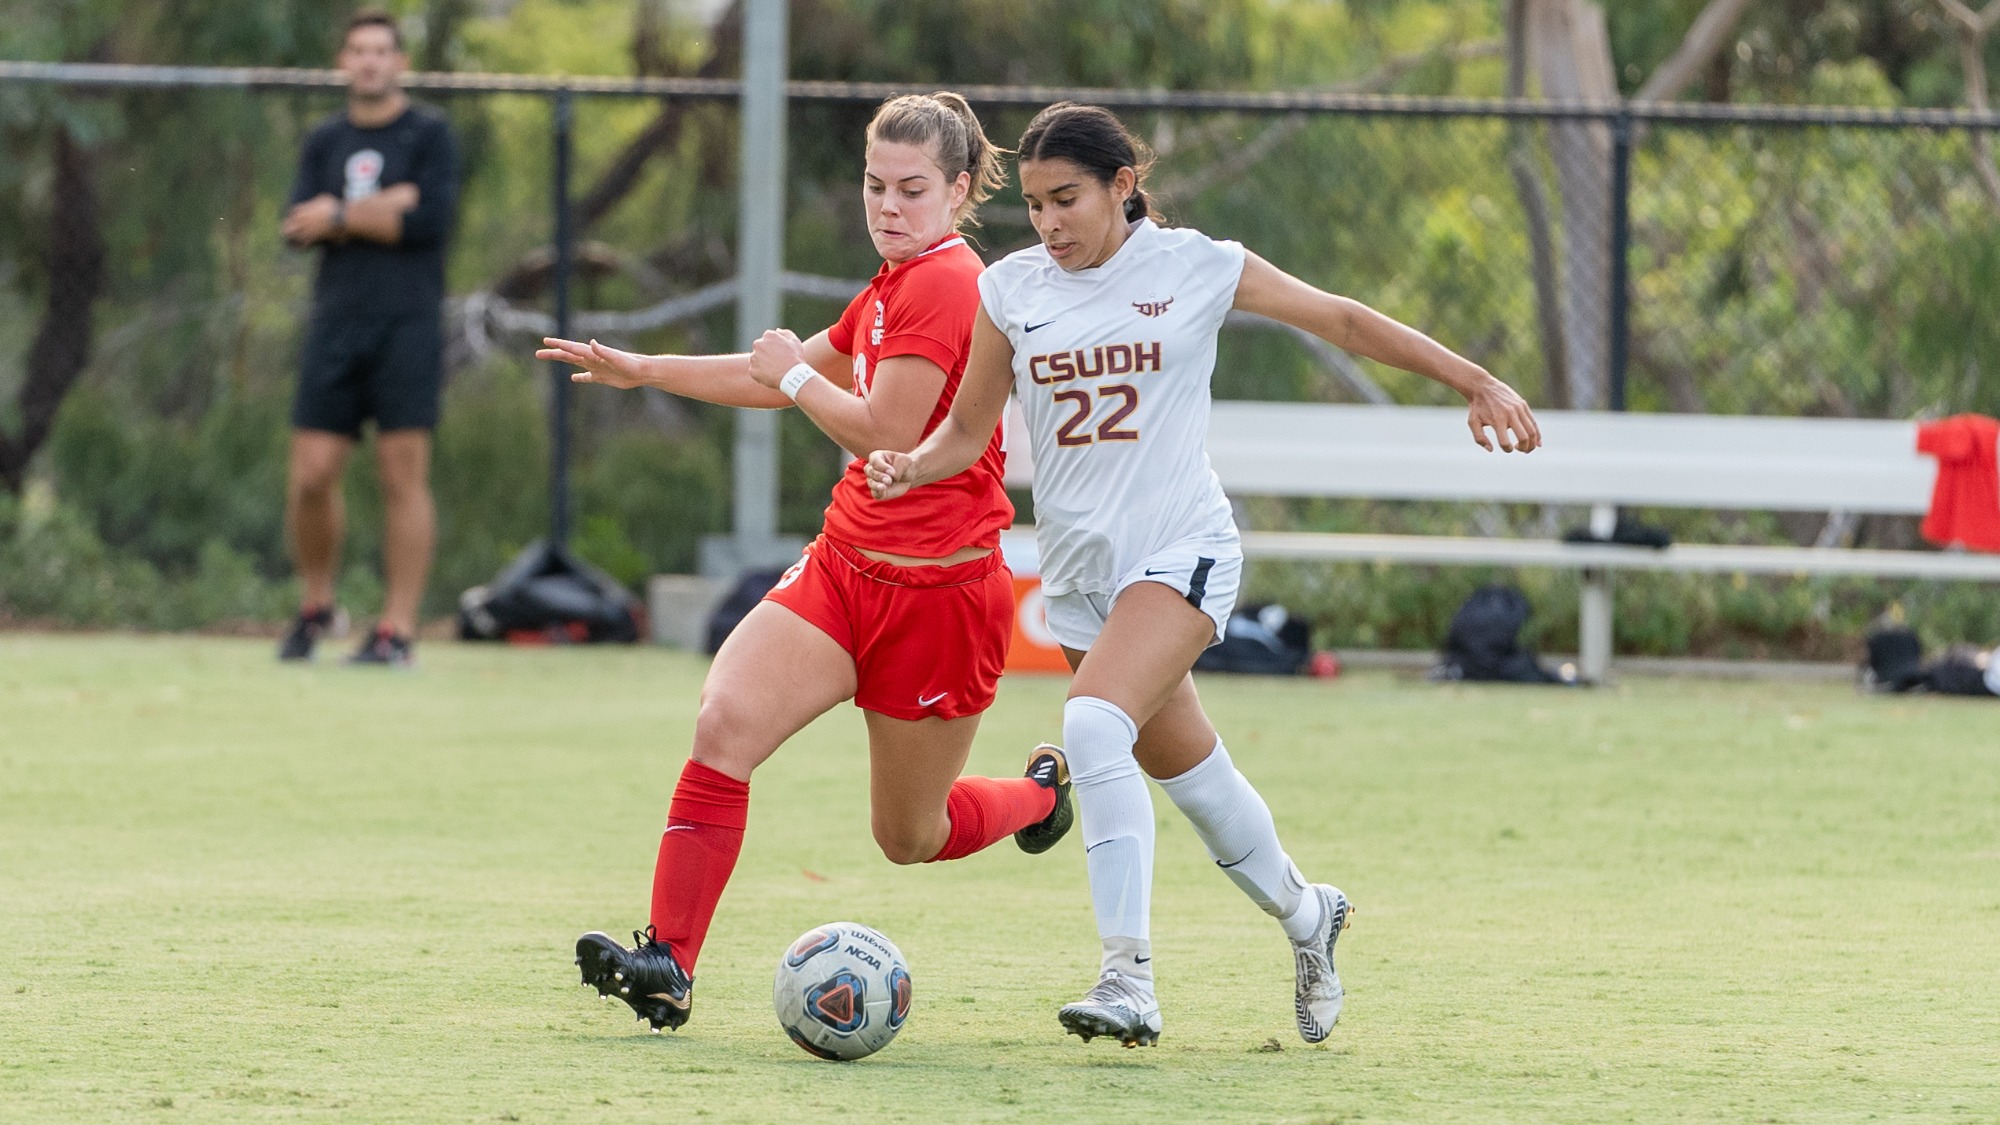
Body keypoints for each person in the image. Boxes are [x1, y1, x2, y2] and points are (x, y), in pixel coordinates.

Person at [867, 102, 1543, 1048]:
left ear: (1123, 186)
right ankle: (1311, 917)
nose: (1049, 223)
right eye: (1033, 205)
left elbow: (1341, 319)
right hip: (1080, 579)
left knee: (1093, 722)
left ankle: (1127, 978)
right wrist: (912, 462)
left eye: (1068, 200)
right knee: (1193, 778)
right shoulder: (1012, 289)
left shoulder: (1195, 266)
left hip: (1183, 549)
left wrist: (1475, 378)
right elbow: (967, 432)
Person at [535, 93, 1074, 1034]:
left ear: (956, 192)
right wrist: (648, 367)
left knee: (910, 835)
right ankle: (667, 961)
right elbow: (776, 374)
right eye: (875, 185)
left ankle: (1037, 796)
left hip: (940, 598)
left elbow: (888, 429)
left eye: (913, 189)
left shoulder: (949, 282)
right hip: (844, 566)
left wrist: (789, 371)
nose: (888, 205)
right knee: (725, 722)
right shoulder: (889, 281)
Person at [277, 8, 460, 667]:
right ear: (343, 62)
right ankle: (317, 605)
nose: (370, 61)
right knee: (311, 476)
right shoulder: (324, 140)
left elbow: (430, 219)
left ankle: (397, 630)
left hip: (406, 325)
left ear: (400, 62)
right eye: (358, 50)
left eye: (382, 50)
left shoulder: (429, 135)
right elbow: (296, 226)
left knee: (400, 476)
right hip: (334, 324)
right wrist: (386, 205)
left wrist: (340, 214)